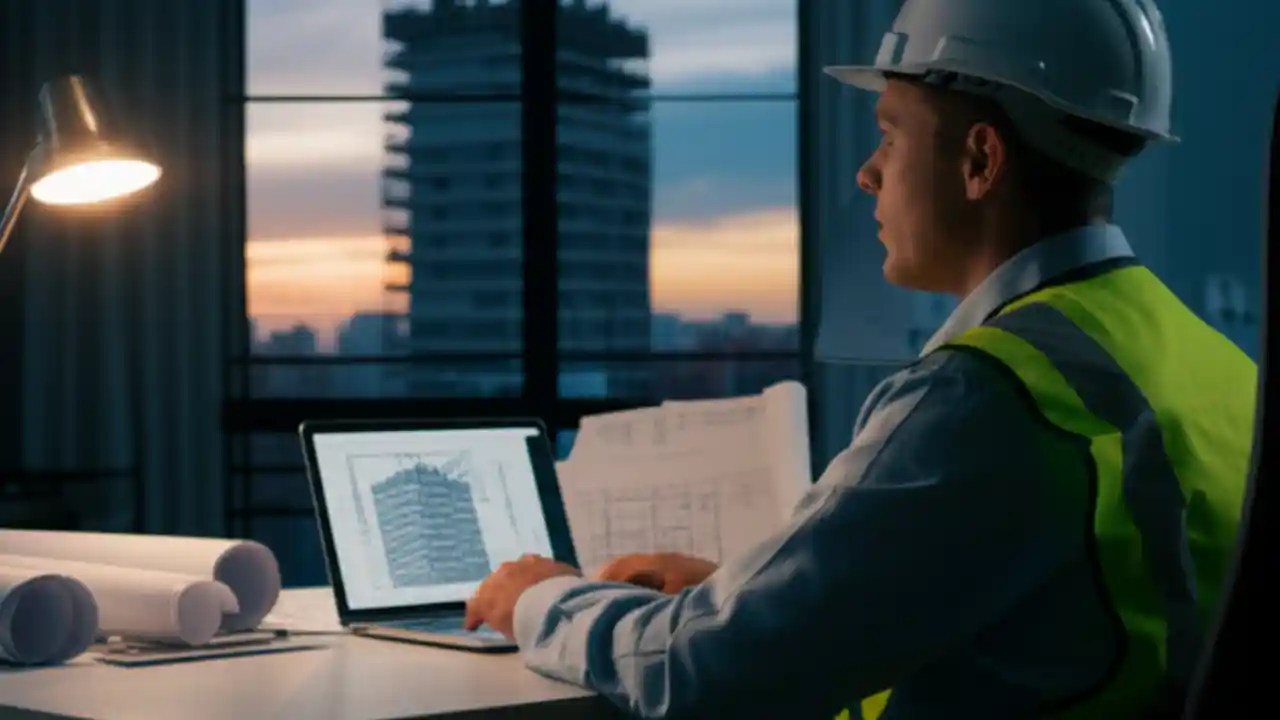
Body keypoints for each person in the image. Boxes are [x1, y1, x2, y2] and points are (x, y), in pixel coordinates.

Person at [463, 1, 1258, 717]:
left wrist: (546, 601)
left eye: (889, 134)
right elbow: (1052, 604)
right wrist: (743, 592)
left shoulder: (987, 397)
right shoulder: (1212, 364)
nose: (867, 172)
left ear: (980, 161)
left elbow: (709, 677)